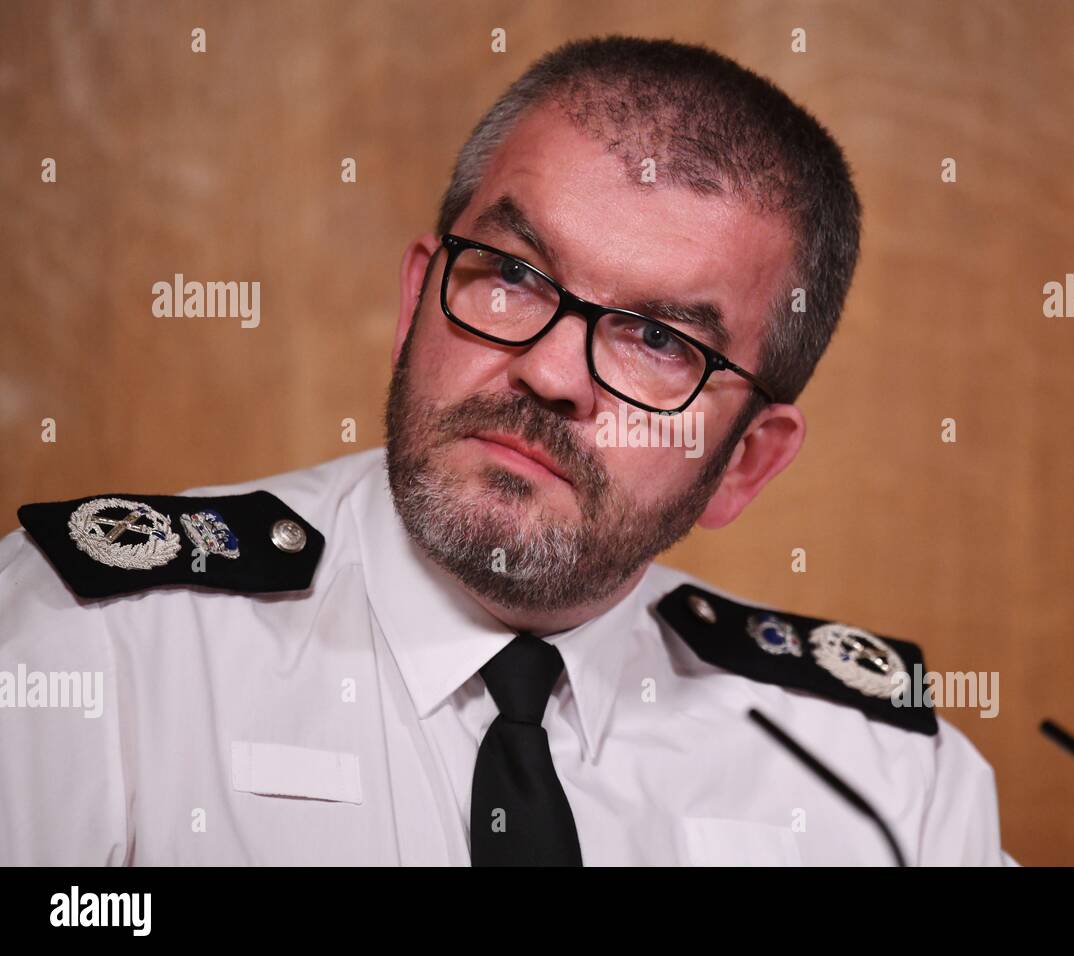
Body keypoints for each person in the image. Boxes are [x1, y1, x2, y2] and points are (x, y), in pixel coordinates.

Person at [0, 35, 1013, 866]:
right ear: (413, 304)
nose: (550, 373)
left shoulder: (884, 784)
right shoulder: (93, 652)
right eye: (514, 276)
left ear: (745, 459)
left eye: (660, 340)